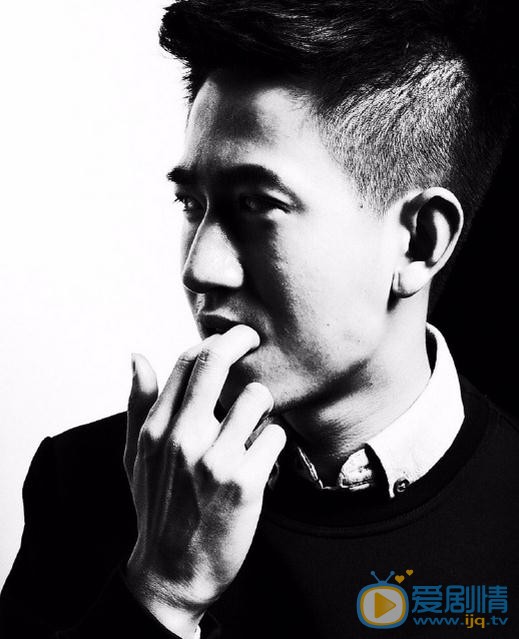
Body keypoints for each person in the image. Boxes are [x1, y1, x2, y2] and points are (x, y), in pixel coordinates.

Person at [1, 1, 518, 637]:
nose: (200, 268)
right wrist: (161, 591)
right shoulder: (83, 486)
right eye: (192, 204)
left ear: (418, 243)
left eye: (256, 204)